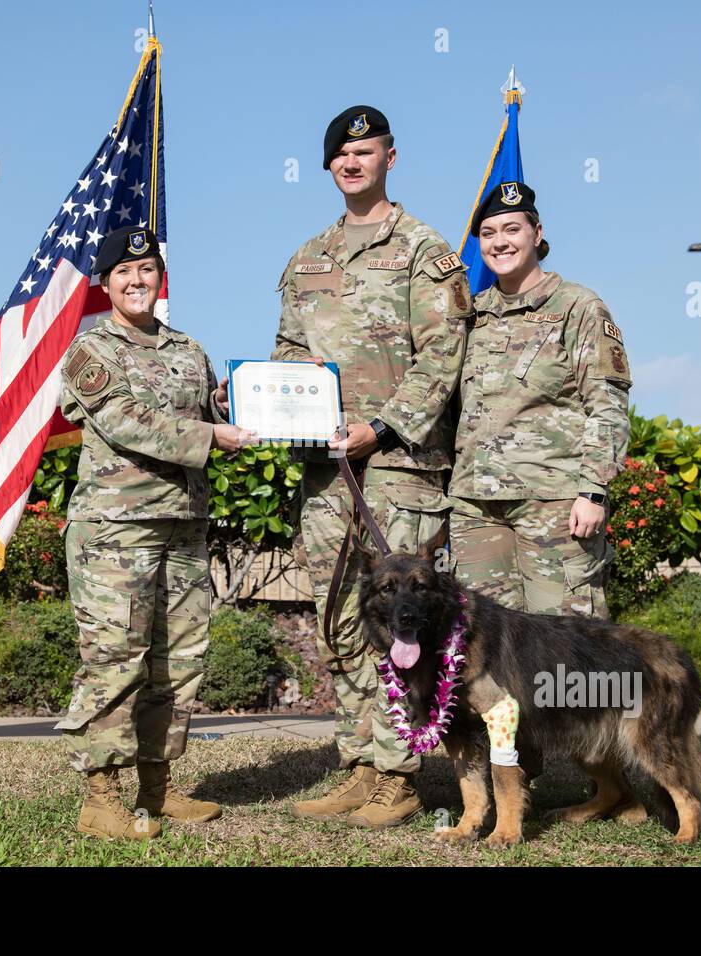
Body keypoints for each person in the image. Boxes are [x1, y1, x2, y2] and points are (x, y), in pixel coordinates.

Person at [271, 105, 472, 828]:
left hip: (399, 466)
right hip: (327, 474)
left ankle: (399, 775)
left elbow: (444, 353)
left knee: (402, 622)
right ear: (330, 167)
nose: (352, 163)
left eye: (366, 151)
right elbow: (290, 353)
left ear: (391, 156)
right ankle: (361, 761)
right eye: (341, 155)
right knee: (337, 622)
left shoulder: (424, 249)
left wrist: (380, 426)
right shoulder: (307, 259)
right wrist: (283, 408)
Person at [55, 225, 254, 841]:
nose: (137, 281)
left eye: (146, 271)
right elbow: (126, 422)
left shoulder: (188, 349)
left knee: (179, 660)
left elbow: (211, 414)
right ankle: (101, 795)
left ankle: (158, 785)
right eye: (124, 272)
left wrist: (248, 404)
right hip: (116, 529)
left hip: (183, 526)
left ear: (158, 279)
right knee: (116, 659)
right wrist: (209, 437)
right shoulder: (91, 352)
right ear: (106, 282)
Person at [448, 181, 632, 618]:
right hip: (476, 506)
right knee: (486, 646)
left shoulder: (578, 307)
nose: (499, 242)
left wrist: (594, 491)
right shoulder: (471, 314)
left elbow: (607, 404)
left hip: (554, 503)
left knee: (565, 641)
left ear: (536, 232)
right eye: (488, 233)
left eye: (511, 229)